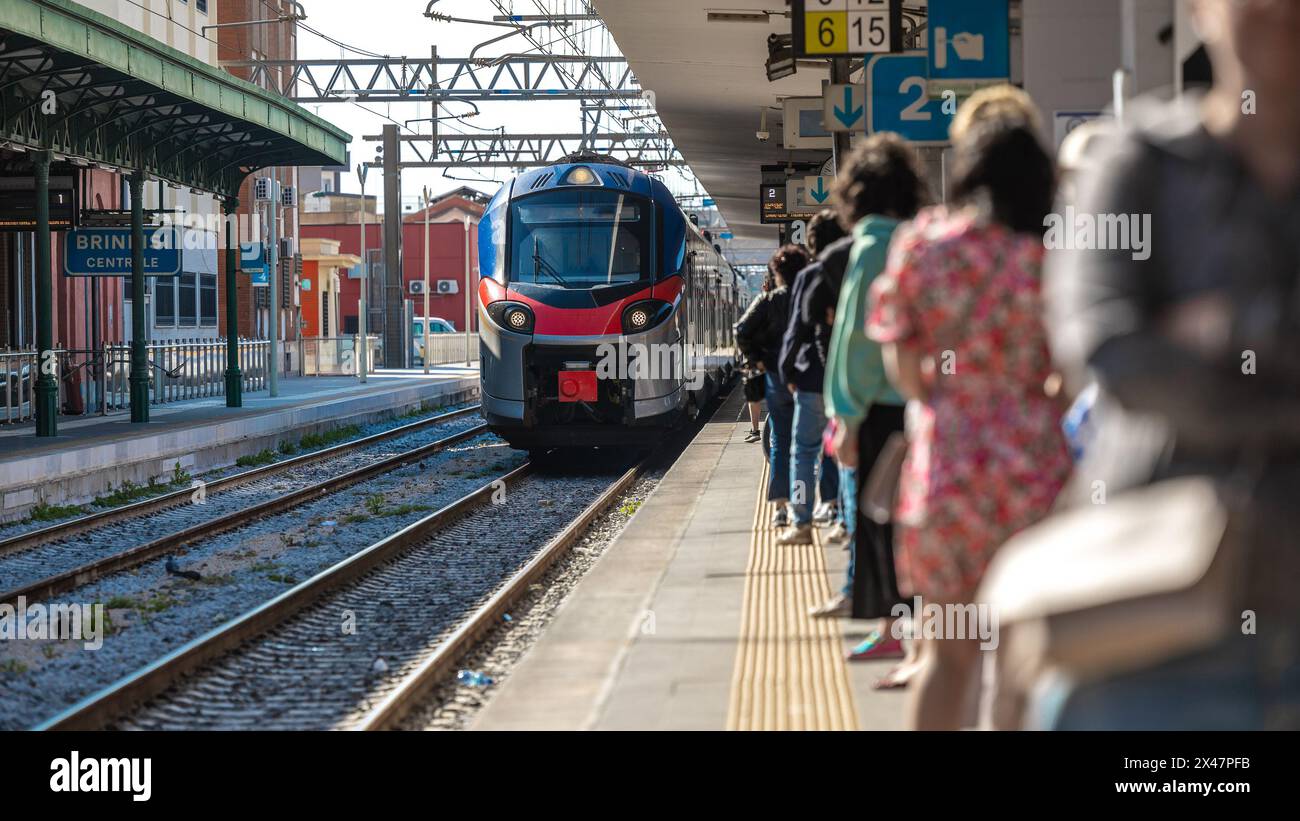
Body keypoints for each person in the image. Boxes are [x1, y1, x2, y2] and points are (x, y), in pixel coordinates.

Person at [1038, 0, 1300, 730]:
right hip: (1158, 609)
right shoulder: (1139, 161)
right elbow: (1112, 353)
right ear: (1199, 10)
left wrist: (1225, 328)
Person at [865, 86, 1072, 728]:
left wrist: (950, 398)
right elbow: (1067, 378)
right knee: (1021, 658)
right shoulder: (1048, 258)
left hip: (947, 473)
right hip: (1032, 475)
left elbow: (905, 373)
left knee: (948, 656)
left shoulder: (924, 247)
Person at [816, 134, 930, 661]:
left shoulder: (869, 245)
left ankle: (893, 632)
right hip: (919, 403)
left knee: (879, 519)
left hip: (878, 410)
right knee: (912, 518)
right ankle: (914, 632)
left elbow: (857, 339)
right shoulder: (919, 240)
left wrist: (846, 415)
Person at [777, 211, 850, 545]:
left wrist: (787, 371)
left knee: (804, 453)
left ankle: (801, 522)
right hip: (847, 378)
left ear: (812, 243)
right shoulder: (853, 269)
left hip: (811, 380)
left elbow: (796, 329)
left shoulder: (808, 276)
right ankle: (845, 521)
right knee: (846, 452)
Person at [736, 244, 810, 528]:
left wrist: (759, 360)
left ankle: (780, 507)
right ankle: (803, 508)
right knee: (804, 445)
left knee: (780, 440)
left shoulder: (767, 301)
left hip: (777, 378)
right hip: (806, 377)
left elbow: (741, 330)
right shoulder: (810, 297)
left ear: (777, 273)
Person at [737, 272, 776, 444]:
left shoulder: (762, 302)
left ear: (765, 286)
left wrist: (753, 356)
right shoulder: (790, 299)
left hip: (761, 356)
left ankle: (755, 430)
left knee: (754, 395)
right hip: (781, 357)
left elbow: (743, 330)